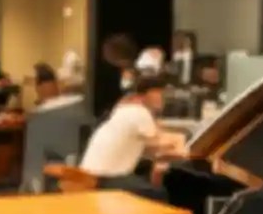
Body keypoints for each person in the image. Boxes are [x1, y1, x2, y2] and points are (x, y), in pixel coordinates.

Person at [79, 75, 187, 203]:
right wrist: (184, 146)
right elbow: (162, 143)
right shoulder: (139, 112)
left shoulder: (124, 111)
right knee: (159, 193)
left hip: (91, 178)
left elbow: (151, 147)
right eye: (159, 94)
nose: (162, 100)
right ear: (142, 95)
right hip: (108, 179)